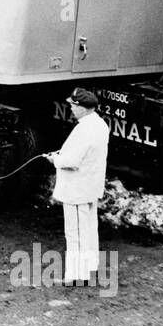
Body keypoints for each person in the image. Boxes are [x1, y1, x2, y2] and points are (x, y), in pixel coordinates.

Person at [45, 88, 110, 286]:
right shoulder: (99, 124)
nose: (71, 108)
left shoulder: (84, 129)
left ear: (83, 108)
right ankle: (89, 266)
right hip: (90, 187)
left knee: (75, 233)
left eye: (74, 105)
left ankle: (75, 276)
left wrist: (55, 159)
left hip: (77, 189)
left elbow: (72, 160)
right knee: (89, 229)